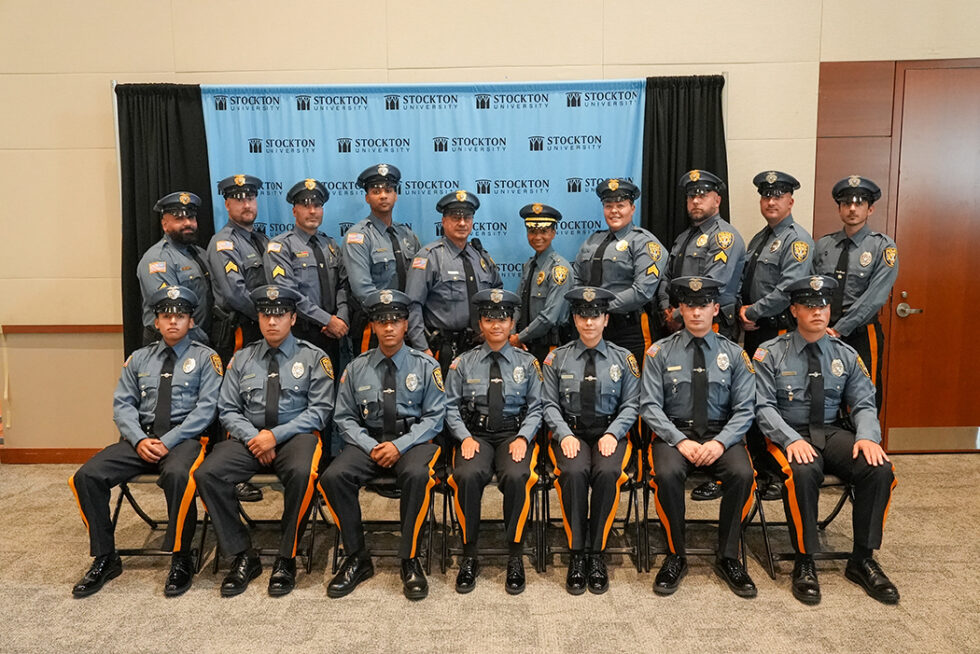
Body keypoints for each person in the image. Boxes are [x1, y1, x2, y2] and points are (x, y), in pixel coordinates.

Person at [754, 275, 898, 605]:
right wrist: (789, 440)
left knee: (878, 469)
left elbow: (863, 402)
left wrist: (868, 438)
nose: (818, 312)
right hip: (788, 433)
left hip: (832, 431)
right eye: (808, 306)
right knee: (802, 472)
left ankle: (863, 558)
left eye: (823, 306)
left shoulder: (844, 354)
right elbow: (762, 406)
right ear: (794, 311)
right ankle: (805, 560)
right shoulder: (771, 352)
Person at [69, 286, 221, 597]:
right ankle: (105, 556)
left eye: (180, 316)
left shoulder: (206, 358)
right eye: (167, 316)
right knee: (87, 476)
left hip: (184, 439)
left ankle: (181, 556)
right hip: (141, 438)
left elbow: (207, 409)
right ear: (156, 322)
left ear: (192, 322)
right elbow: (122, 405)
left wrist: (169, 441)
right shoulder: (138, 359)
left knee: (178, 474)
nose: (173, 322)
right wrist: (139, 440)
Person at [193, 285, 333, 597]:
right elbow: (227, 409)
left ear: (293, 318)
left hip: (295, 435)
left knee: (301, 473)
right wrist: (256, 437)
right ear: (258, 318)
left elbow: (320, 412)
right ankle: (242, 554)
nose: (272, 321)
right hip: (249, 437)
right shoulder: (241, 359)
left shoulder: (314, 358)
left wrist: (274, 436)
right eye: (266, 315)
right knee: (207, 474)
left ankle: (287, 557)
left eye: (280, 314)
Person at [692, 170, 813, 504]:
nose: (771, 201)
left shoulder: (797, 241)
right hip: (757, 331)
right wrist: (747, 313)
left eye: (778, 196)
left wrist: (752, 311)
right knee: (749, 400)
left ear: (791, 200)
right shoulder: (761, 238)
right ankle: (753, 467)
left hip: (781, 331)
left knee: (778, 401)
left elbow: (789, 286)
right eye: (766, 196)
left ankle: (775, 474)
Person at [319, 290, 446, 600]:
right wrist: (370, 445)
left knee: (418, 475)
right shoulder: (356, 367)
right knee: (333, 478)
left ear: (406, 325)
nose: (389, 328)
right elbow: (344, 416)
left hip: (412, 441)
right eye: (381, 322)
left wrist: (399, 446)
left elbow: (434, 418)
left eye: (396, 321)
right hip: (369, 441)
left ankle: (410, 558)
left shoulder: (425, 367)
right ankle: (357, 557)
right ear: (373, 327)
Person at [641, 276, 758, 598]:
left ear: (716, 309)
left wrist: (720, 442)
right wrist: (680, 440)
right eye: (689, 305)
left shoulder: (734, 354)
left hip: (722, 433)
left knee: (742, 473)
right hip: (675, 434)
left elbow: (746, 409)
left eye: (703, 305)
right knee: (666, 474)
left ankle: (729, 556)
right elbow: (649, 406)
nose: (696, 313)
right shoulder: (659, 353)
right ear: (680, 308)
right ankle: (675, 555)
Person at [542, 286, 641, 595]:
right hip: (571, 432)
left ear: (606, 319)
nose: (588, 323)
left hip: (609, 432)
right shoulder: (556, 358)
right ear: (574, 319)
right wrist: (564, 434)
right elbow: (548, 404)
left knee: (608, 472)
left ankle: (596, 553)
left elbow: (632, 404)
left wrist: (614, 432)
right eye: (582, 317)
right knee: (572, 472)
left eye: (595, 316)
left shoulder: (624, 359)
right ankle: (576, 553)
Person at [445, 289, 543, 595]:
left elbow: (538, 406)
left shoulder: (527, 364)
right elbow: (448, 406)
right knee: (467, 474)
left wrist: (524, 438)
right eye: (489, 319)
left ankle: (515, 553)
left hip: (513, 434)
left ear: (513, 323)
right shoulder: (463, 363)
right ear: (480, 323)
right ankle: (469, 552)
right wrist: (463, 437)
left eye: (503, 319)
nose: (496, 326)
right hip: (477, 434)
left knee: (517, 475)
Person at [813, 176, 898, 410]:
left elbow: (875, 297)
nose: (852, 208)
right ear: (839, 209)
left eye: (859, 203)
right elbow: (813, 288)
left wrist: (841, 328)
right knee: (826, 389)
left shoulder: (883, 247)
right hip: (824, 331)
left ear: (870, 209)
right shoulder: (823, 246)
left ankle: (867, 444)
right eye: (846, 203)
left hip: (861, 332)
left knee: (864, 391)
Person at [405, 190, 502, 373]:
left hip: (479, 349)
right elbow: (412, 305)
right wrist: (422, 348)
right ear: (444, 221)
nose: (462, 223)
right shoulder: (429, 257)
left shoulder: (481, 257)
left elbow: (497, 292)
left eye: (467, 217)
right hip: (442, 350)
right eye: (456, 218)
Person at [572, 179, 665, 362]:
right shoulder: (593, 241)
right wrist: (585, 309)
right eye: (608, 206)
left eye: (620, 205)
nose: (614, 211)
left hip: (629, 330)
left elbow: (642, 291)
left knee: (634, 384)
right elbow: (577, 278)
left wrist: (599, 308)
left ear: (632, 209)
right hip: (592, 327)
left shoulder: (645, 243)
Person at [264, 178, 349, 370]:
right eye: (305, 205)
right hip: (299, 336)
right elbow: (288, 294)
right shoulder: (280, 247)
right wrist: (327, 320)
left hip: (333, 334)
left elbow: (343, 285)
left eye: (318, 205)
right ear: (294, 211)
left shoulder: (331, 245)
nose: (312, 211)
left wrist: (341, 318)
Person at [343, 163, 421, 354]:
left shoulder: (407, 235)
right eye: (376, 191)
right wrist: (393, 319)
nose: (383, 195)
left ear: (396, 195)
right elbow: (362, 289)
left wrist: (409, 319)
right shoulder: (358, 236)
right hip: (376, 325)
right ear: (367, 197)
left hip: (407, 325)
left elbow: (419, 281)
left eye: (388, 190)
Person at [659, 170, 746, 341]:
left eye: (703, 195)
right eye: (691, 197)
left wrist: (677, 314)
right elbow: (666, 276)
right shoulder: (684, 237)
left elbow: (712, 285)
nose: (696, 201)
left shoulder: (724, 237)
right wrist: (665, 309)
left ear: (717, 200)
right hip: (682, 321)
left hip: (714, 323)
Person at [206, 174, 269, 364]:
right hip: (239, 331)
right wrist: (269, 316)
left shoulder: (263, 241)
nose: (247, 205)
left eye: (250, 199)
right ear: (227, 205)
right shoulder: (223, 243)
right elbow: (235, 293)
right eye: (239, 200)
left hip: (262, 328)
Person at [137, 191, 211, 345]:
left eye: (191, 217)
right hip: (167, 346)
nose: (187, 223)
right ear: (165, 225)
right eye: (179, 219)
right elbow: (172, 309)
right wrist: (205, 339)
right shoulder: (157, 260)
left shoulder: (199, 254)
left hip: (195, 343)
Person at [511, 203, 572, 363]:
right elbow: (518, 305)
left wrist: (519, 338)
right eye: (532, 231)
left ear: (553, 232)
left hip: (550, 347)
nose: (537, 237)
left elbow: (549, 317)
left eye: (544, 231)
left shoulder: (559, 269)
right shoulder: (529, 265)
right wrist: (511, 334)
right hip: (525, 346)